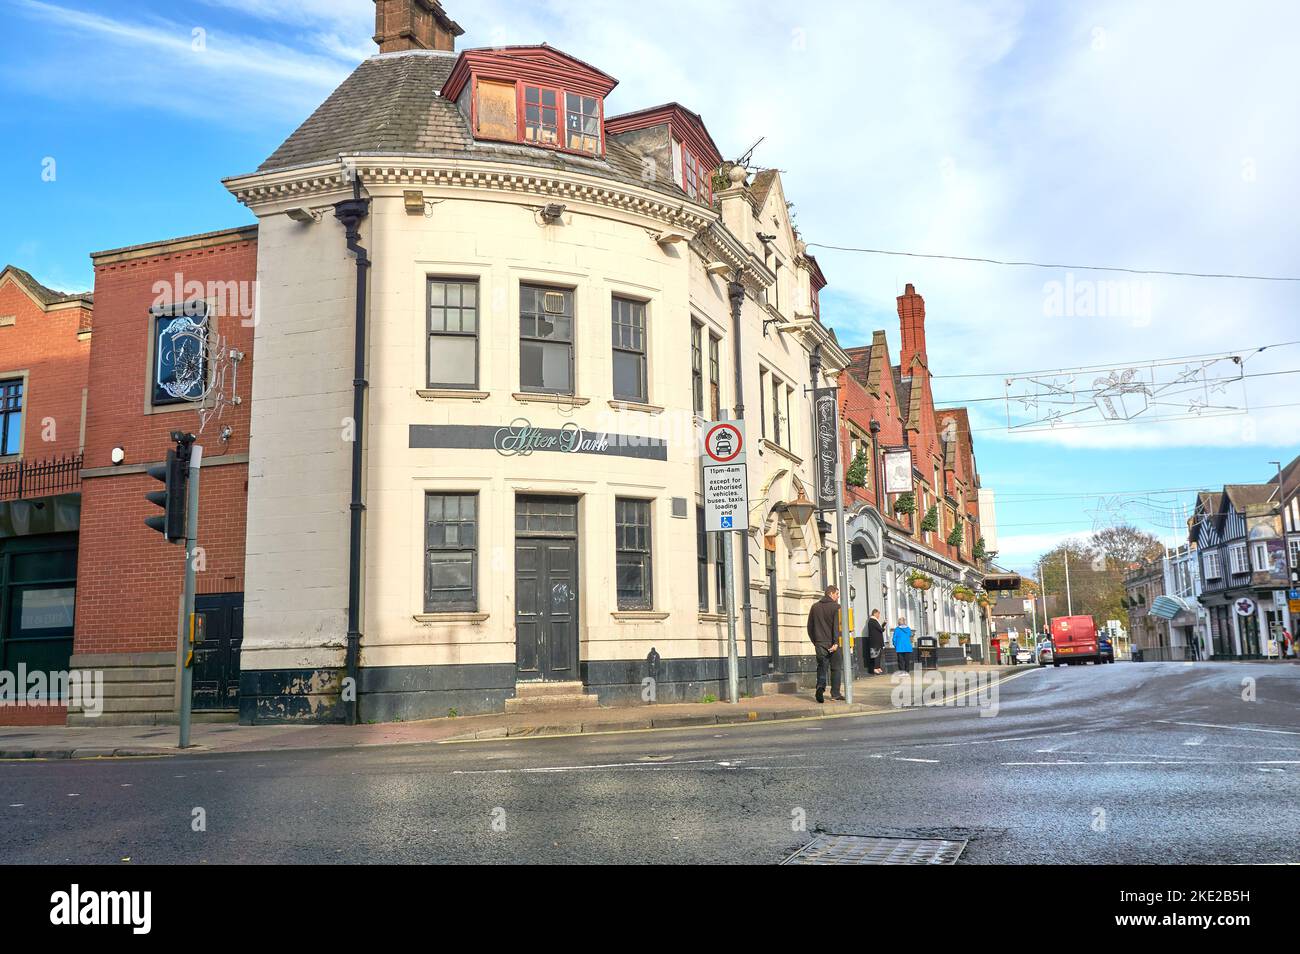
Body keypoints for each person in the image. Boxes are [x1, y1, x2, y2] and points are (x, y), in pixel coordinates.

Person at [806, 585, 844, 703]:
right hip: (833, 643)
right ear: (831, 594)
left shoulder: (815, 607)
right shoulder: (836, 607)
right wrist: (836, 642)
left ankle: (820, 687)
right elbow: (836, 627)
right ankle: (835, 694)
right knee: (835, 668)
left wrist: (815, 641)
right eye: (837, 594)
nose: (838, 597)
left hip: (819, 642)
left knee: (822, 666)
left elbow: (810, 627)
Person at [865, 609, 885, 675]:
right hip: (875, 641)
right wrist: (883, 625)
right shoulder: (873, 621)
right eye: (878, 614)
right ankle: (875, 668)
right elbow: (880, 629)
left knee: (878, 654)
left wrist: (882, 626)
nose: (879, 616)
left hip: (876, 641)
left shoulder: (873, 621)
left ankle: (878, 667)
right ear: (875, 613)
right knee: (876, 654)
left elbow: (879, 629)